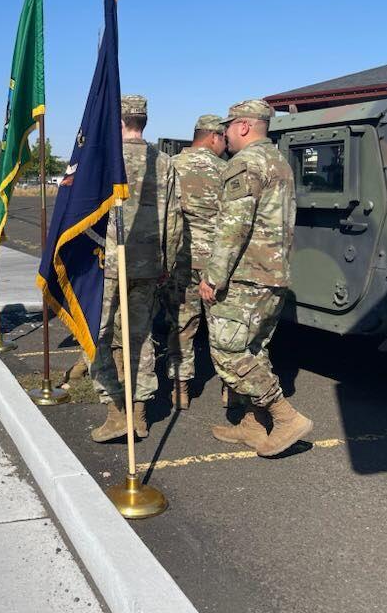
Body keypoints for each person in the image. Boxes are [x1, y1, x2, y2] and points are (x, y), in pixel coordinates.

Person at [198, 98, 313, 457]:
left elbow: (233, 228)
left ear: (244, 126)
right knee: (255, 349)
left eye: (229, 126)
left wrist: (214, 276)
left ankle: (285, 416)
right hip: (273, 276)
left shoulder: (244, 164)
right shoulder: (279, 161)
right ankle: (252, 423)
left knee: (229, 354)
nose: (225, 134)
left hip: (245, 279)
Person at [91, 94, 179, 442]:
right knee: (140, 338)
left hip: (108, 265)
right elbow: (173, 220)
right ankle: (140, 415)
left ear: (119, 121)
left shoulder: (104, 160)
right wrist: (166, 264)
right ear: (144, 121)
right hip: (148, 266)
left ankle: (116, 413)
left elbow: (84, 218)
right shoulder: (166, 162)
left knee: (99, 339)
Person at [165, 114, 231, 410]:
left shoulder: (171, 165)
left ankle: (180, 389)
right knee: (222, 327)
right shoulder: (226, 169)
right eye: (224, 141)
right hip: (216, 264)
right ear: (214, 137)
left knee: (181, 324)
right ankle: (232, 388)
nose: (225, 146)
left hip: (180, 260)